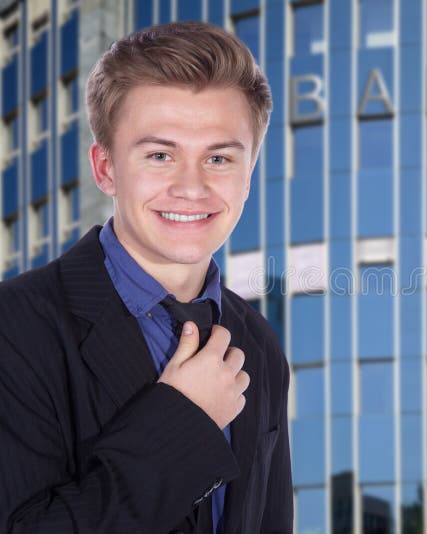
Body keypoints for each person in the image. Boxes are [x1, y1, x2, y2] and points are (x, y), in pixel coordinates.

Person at [0, 21, 291, 533]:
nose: (191, 187)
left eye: (219, 158)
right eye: (160, 155)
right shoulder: (15, 327)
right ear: (106, 168)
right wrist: (185, 423)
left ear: (249, 174)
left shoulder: (260, 346)